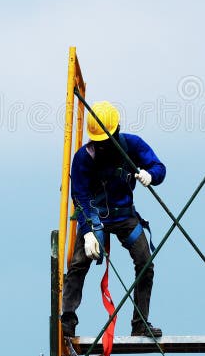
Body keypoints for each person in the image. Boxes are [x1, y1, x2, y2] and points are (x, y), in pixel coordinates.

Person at [61, 100, 166, 339]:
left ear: (116, 131)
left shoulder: (132, 146)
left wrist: (151, 175)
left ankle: (140, 323)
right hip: (95, 216)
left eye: (107, 141)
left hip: (124, 215)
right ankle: (67, 320)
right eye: (99, 143)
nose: (104, 147)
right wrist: (87, 230)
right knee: (78, 263)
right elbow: (80, 195)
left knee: (145, 263)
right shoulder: (84, 158)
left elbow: (159, 167)